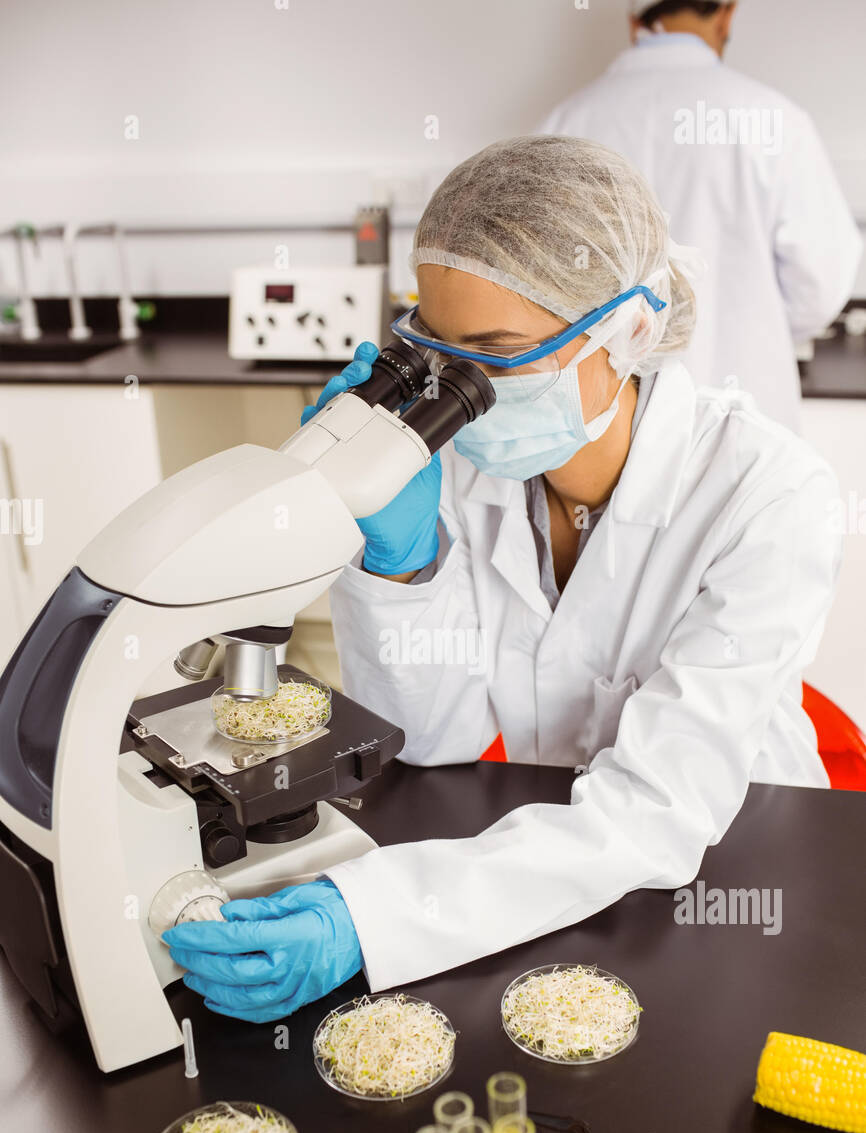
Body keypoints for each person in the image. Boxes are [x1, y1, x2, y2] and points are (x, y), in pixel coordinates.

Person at [164, 136, 840, 1023]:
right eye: (438, 348)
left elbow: (655, 814)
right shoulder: (472, 465)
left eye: (495, 351)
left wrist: (374, 916)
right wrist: (402, 565)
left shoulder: (770, 493)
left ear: (627, 330)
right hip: (528, 865)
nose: (461, 386)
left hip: (730, 871)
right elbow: (435, 741)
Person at [537, 1, 862, 431]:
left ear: (635, 22)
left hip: (605, 415)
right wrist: (746, 321)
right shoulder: (773, 119)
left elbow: (541, 283)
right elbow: (820, 286)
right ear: (726, 14)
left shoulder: (567, 122)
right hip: (744, 407)